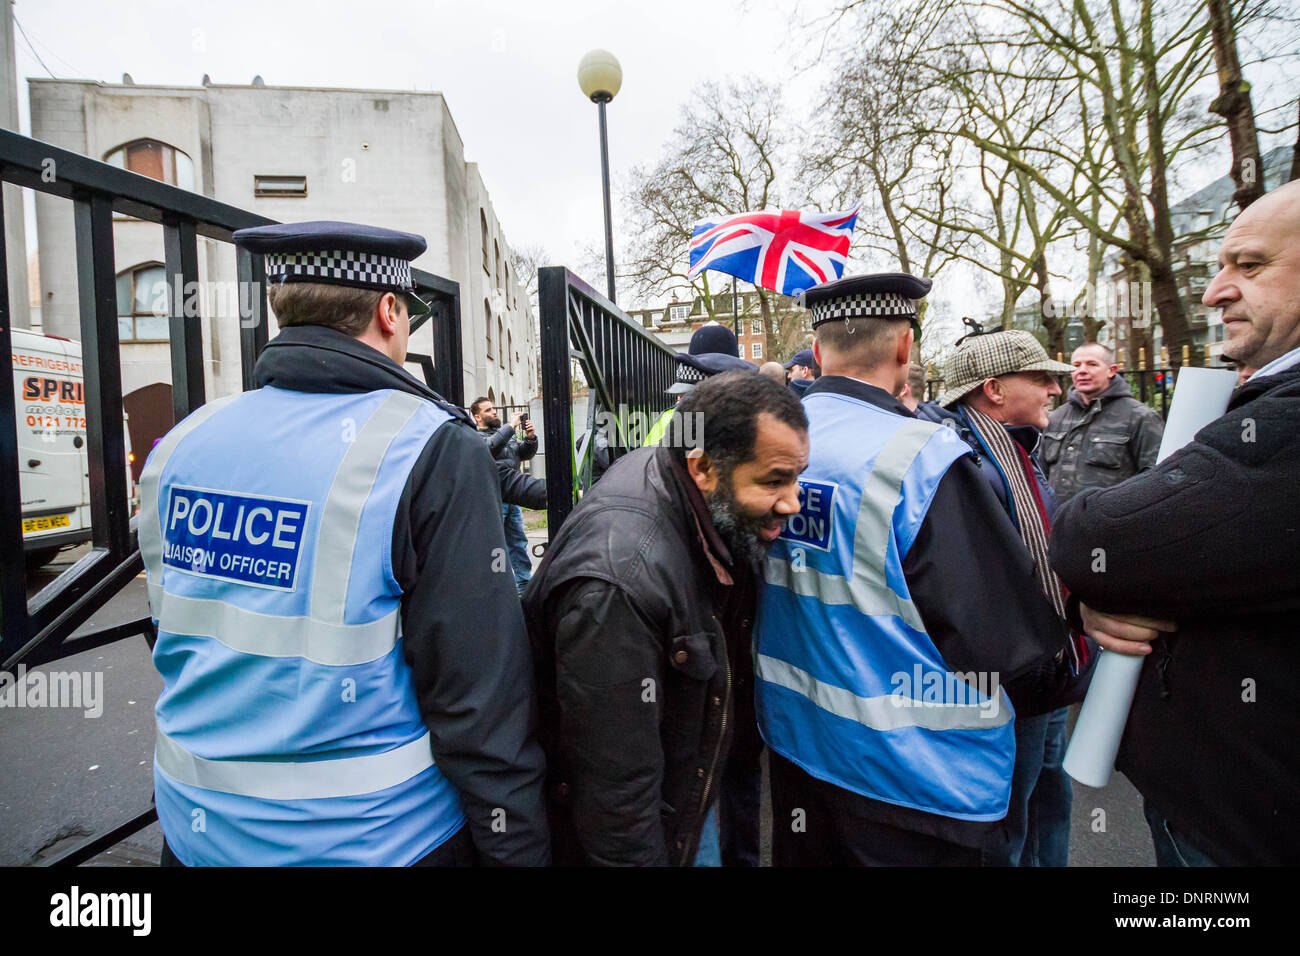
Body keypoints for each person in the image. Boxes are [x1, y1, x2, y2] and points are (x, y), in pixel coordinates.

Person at [137, 221, 549, 866]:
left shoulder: (187, 440)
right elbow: (477, 690)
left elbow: (175, 630)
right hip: (375, 839)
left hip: (198, 833)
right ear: (389, 311)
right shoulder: (427, 446)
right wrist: (518, 846)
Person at [755, 272, 1076, 866]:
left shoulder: (770, 446)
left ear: (820, 351)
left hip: (802, 754)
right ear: (905, 348)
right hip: (920, 785)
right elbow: (1005, 644)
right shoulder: (922, 457)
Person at [1049, 179, 1300, 866]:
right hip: (1208, 794)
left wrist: (1106, 562)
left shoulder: (1157, 418)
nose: (1216, 290)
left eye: (1248, 267)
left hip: (1240, 829)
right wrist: (1097, 591)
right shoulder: (1067, 420)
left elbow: (1108, 526)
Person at [523, 371, 808, 865]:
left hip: (683, 802)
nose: (793, 502)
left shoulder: (689, 494)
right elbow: (618, 800)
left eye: (797, 476)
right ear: (704, 469)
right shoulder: (619, 585)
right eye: (773, 481)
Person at [915, 329, 1089, 867]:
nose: (1055, 391)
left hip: (1049, 666)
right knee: (1010, 823)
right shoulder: (961, 461)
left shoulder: (1014, 447)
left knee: (1049, 802)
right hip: (1015, 677)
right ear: (993, 389)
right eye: (1040, 379)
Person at [1040, 342, 1164, 503]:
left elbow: (1155, 479)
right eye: (1076, 365)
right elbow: (1040, 475)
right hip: (1056, 522)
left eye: (1092, 364)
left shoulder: (1140, 417)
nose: (1082, 370)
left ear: (1111, 371)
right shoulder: (1056, 417)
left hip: (1111, 523)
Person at [644, 324, 753, 447]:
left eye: (686, 394)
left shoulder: (668, 418)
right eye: (683, 394)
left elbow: (645, 461)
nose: (680, 399)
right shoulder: (754, 420)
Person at [470, 397, 538, 594]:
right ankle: (496, 585)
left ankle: (523, 585)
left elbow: (522, 454)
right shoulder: (475, 436)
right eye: (488, 410)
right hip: (492, 499)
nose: (494, 412)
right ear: (477, 416)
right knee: (495, 545)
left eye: (494, 409)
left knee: (518, 541)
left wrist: (530, 438)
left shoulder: (504, 435)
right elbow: (489, 448)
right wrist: (510, 426)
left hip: (512, 498)